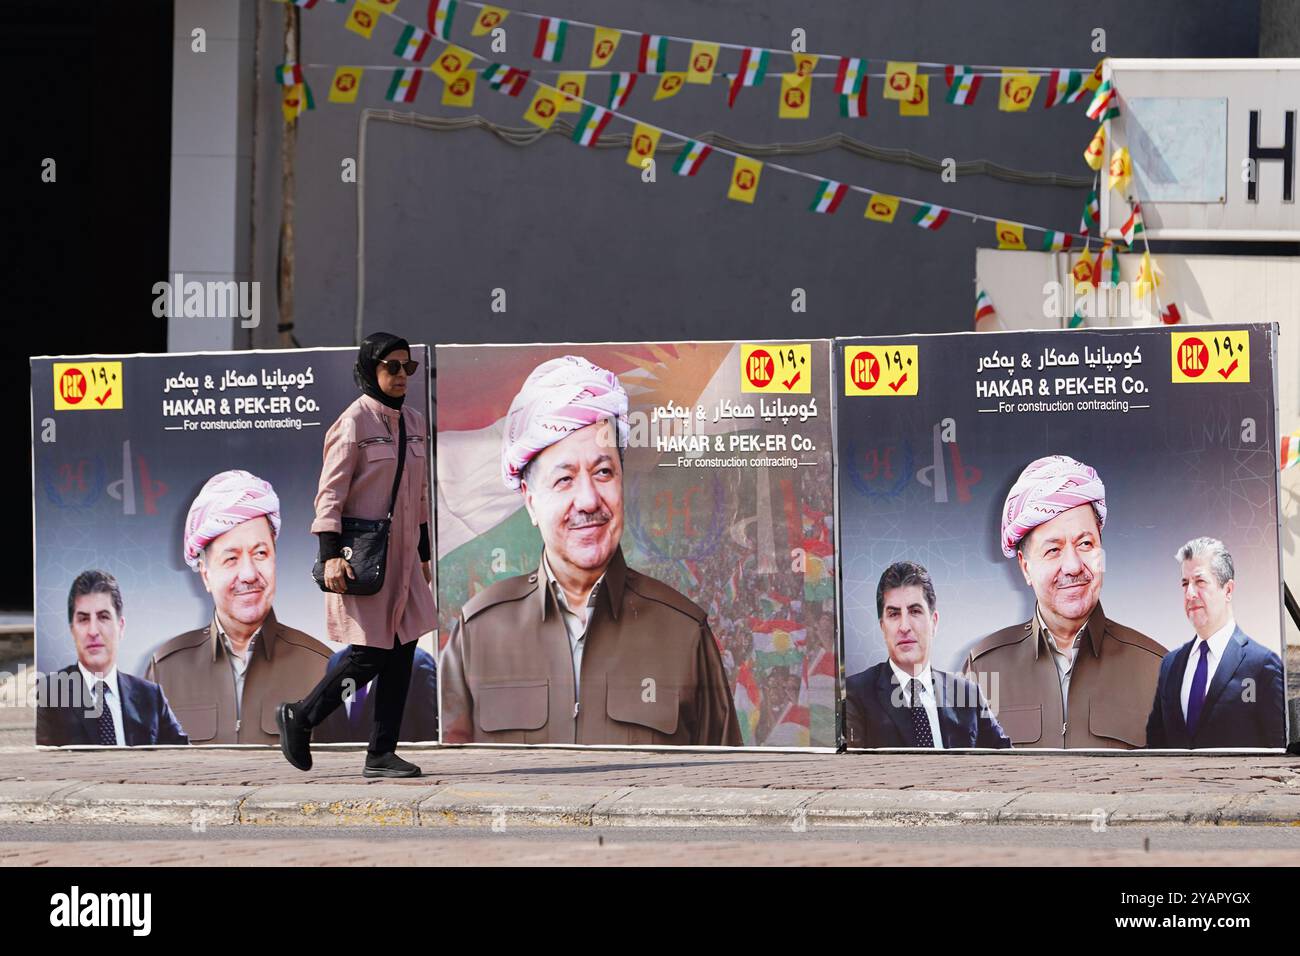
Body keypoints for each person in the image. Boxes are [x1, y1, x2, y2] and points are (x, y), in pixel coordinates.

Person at [438, 355, 741, 746]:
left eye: (603, 472)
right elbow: (450, 786)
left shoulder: (684, 631)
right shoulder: (478, 632)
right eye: (564, 479)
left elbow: (726, 784)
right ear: (530, 500)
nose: (588, 500)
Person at [276, 333, 438, 778]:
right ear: (370, 369)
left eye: (409, 367)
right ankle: (302, 716)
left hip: (406, 559)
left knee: (403, 649)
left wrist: (423, 553)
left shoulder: (416, 422)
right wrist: (329, 556)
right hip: (365, 557)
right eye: (392, 367)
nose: (402, 376)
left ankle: (381, 753)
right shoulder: (352, 424)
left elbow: (419, 496)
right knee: (369, 654)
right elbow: (329, 496)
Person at [964, 455, 1165, 749]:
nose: (1072, 566)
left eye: (1085, 544)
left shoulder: (1158, 670)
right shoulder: (983, 669)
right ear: (1025, 567)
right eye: (1053, 550)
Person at [147, 471, 334, 744]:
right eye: (231, 558)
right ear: (205, 574)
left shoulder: (322, 666)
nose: (248, 574)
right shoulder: (165, 669)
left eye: (260, 553)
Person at [845, 561, 1009, 749]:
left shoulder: (968, 694)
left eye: (915, 611)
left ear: (934, 622)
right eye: (894, 614)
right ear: (883, 627)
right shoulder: (854, 694)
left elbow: (1009, 762)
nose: (904, 627)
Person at [1145, 537, 1285, 749]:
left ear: (1228, 590)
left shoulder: (1262, 666)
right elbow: (1156, 743)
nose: (1190, 593)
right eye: (1185, 584)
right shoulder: (1170, 665)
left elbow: (1277, 748)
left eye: (1200, 582)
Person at [38, 570, 188, 747]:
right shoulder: (46, 694)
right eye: (84, 619)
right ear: (72, 630)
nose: (93, 631)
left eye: (103, 617)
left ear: (121, 627)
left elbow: (185, 758)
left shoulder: (151, 697)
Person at [313, 644, 439, 744]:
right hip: (341, 768)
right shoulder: (335, 661)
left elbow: (427, 729)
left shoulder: (416, 661)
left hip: (395, 763)